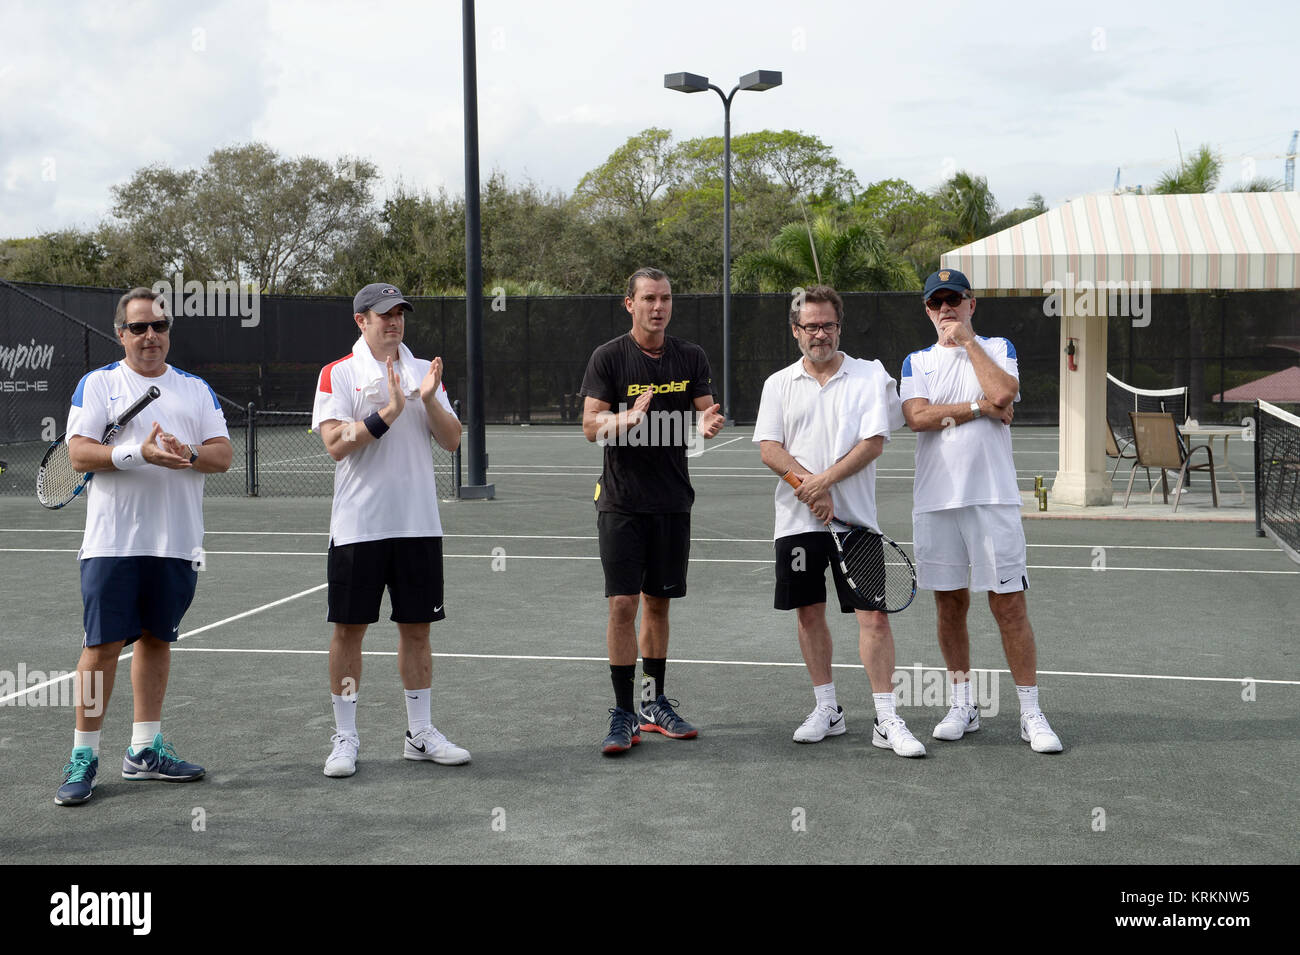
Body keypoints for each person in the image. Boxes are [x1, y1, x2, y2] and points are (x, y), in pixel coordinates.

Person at [55, 287, 233, 806]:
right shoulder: (99, 384)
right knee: (101, 648)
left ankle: (143, 750)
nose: (150, 335)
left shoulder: (195, 390)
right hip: (112, 543)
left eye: (159, 325)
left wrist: (188, 451)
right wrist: (141, 453)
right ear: (121, 334)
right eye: (139, 328)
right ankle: (84, 755)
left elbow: (221, 456)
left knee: (157, 640)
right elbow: (80, 454)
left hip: (176, 543)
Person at [754, 285, 925, 757]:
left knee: (874, 616)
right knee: (809, 614)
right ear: (796, 331)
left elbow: (873, 442)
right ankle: (827, 709)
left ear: (839, 327)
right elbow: (770, 448)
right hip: (796, 524)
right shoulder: (778, 384)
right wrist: (808, 488)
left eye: (828, 325)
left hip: (857, 524)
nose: (820, 334)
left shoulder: (869, 376)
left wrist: (823, 484)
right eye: (810, 326)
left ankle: (886, 718)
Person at [899, 268, 1063, 753]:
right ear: (927, 309)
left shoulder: (998, 348)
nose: (945, 309)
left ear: (972, 304)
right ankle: (963, 705)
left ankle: (1031, 714)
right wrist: (977, 407)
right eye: (936, 302)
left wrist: (970, 344)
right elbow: (918, 418)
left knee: (1008, 603)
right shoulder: (917, 361)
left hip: (992, 498)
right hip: (936, 500)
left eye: (955, 300)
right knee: (949, 604)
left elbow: (1004, 393)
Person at [311, 282, 467, 777]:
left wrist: (428, 402)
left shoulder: (424, 372)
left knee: (417, 630)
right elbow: (336, 443)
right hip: (359, 526)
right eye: (383, 314)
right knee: (349, 631)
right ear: (362, 321)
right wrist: (389, 413)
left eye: (400, 313)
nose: (394, 322)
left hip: (418, 524)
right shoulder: (338, 372)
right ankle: (345, 737)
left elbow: (453, 440)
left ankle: (419, 734)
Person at [580, 267, 725, 755]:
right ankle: (623, 712)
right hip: (621, 501)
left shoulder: (691, 356)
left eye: (664, 298)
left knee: (658, 604)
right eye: (648, 299)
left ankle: (652, 701)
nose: (657, 307)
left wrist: (709, 421)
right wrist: (627, 417)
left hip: (671, 500)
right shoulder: (608, 357)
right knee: (623, 604)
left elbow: (707, 408)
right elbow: (589, 426)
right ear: (630, 304)